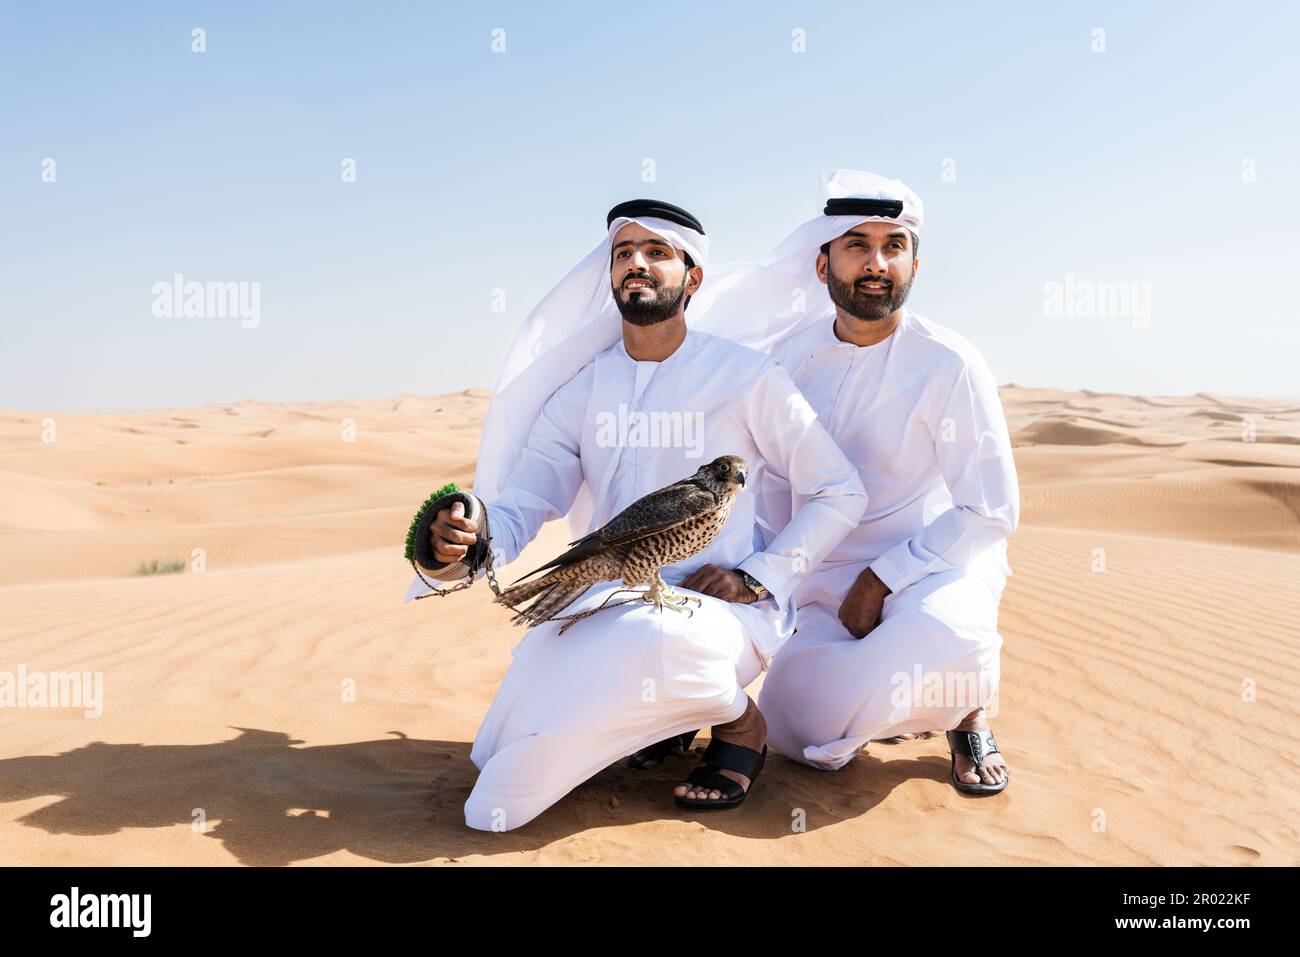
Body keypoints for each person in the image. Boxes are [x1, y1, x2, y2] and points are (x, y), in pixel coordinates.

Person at [404, 199, 867, 829]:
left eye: (657, 252)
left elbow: (840, 490)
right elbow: (525, 502)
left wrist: (761, 575)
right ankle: (659, 722)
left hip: (720, 610)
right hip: (608, 599)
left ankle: (740, 724)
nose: (637, 265)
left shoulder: (748, 377)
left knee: (659, 643)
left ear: (692, 276)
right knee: (495, 761)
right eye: (624, 253)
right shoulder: (581, 389)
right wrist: (468, 534)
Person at [691, 171, 1020, 793]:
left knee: (946, 635)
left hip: (932, 564)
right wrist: (763, 574)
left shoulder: (949, 363)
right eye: (857, 246)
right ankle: (900, 704)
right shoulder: (787, 359)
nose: (877, 263)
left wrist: (881, 578)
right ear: (823, 267)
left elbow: (991, 511)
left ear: (914, 265)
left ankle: (965, 709)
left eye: (893, 246)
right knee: (796, 733)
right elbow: (764, 490)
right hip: (817, 576)